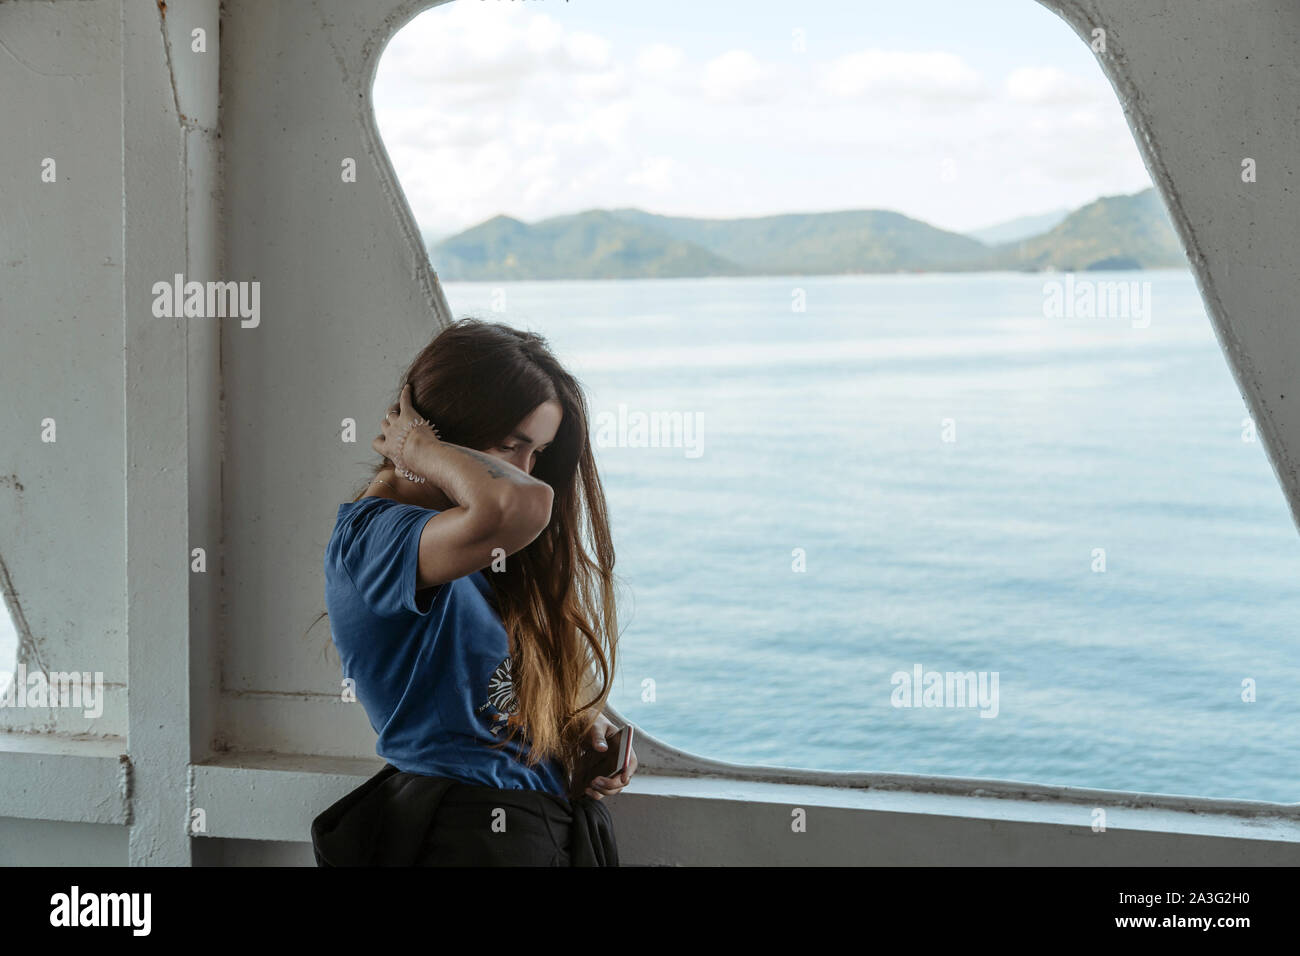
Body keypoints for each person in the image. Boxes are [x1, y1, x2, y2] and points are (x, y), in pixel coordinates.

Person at [311, 319, 636, 866]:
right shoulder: (376, 540)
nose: (527, 473)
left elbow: (486, 682)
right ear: (440, 431)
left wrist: (575, 722)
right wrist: (421, 449)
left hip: (534, 829)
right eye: (512, 447)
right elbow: (524, 505)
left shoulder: (470, 549)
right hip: (469, 837)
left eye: (538, 454)